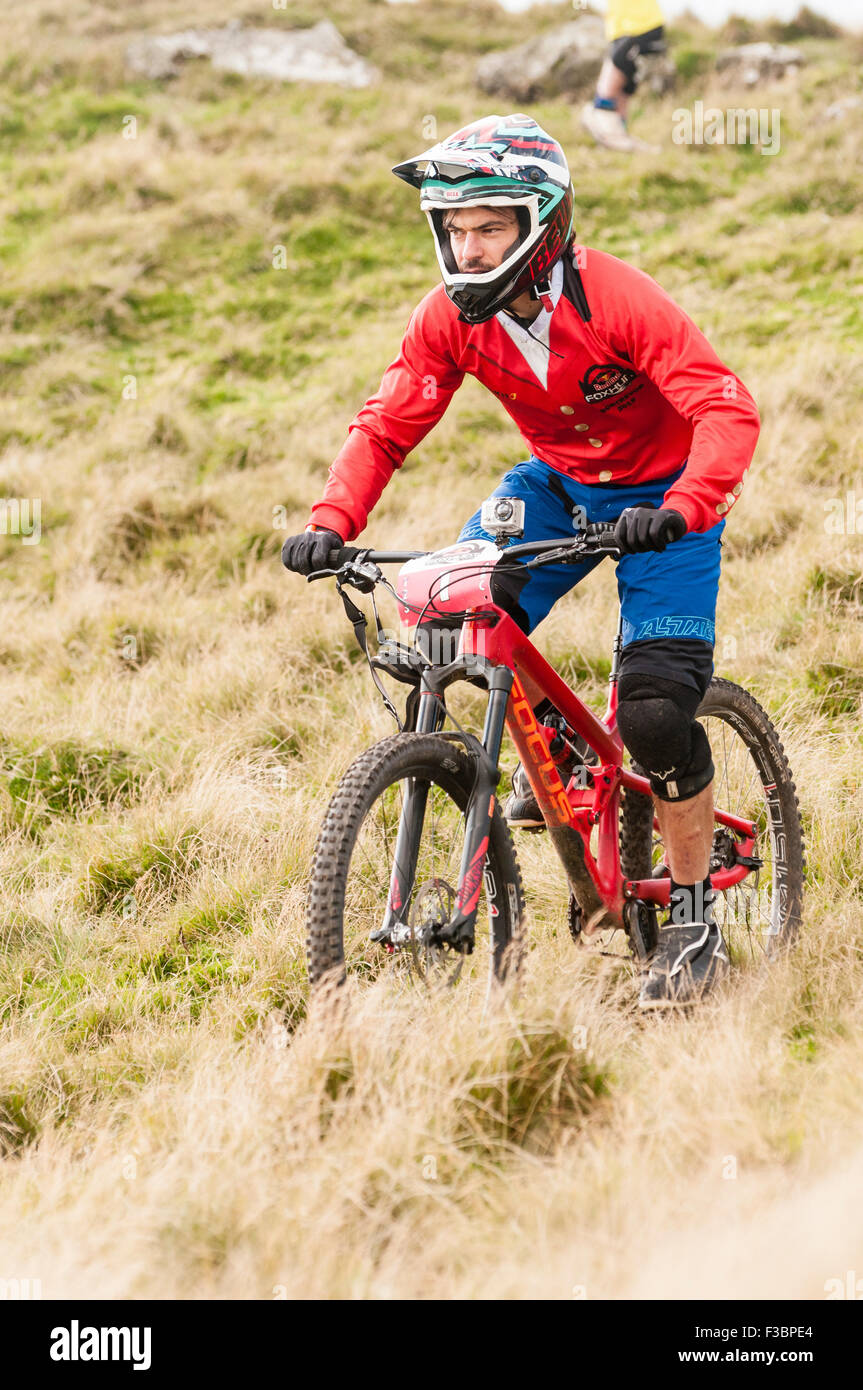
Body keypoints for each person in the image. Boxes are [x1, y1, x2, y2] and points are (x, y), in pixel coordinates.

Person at [281, 114, 760, 1008]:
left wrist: (683, 507)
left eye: (487, 228)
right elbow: (387, 423)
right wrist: (330, 520)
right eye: (452, 230)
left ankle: (692, 919)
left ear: (540, 222)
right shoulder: (450, 318)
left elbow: (726, 410)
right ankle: (570, 756)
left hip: (664, 504)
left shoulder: (617, 298)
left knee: (656, 716)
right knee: (451, 617)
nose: (466, 249)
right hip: (555, 486)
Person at [580, 0, 667, 153]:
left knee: (606, 94)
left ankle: (614, 140)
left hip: (641, 27)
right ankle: (620, 140)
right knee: (622, 93)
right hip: (623, 29)